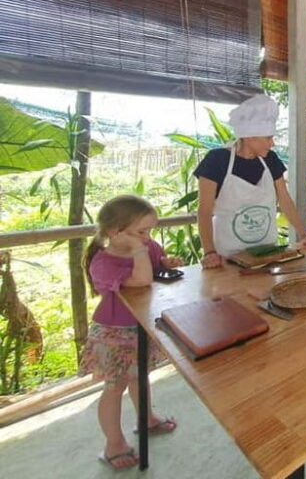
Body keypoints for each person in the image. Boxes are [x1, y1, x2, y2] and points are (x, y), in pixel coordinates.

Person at [78, 195, 182, 470]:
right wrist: (139, 252)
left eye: (149, 231)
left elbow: (157, 266)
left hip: (141, 326)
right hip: (113, 333)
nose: (148, 238)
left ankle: (146, 418)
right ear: (114, 231)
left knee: (140, 376)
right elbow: (140, 280)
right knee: (115, 386)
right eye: (141, 231)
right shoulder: (103, 262)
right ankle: (113, 442)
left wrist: (167, 262)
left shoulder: (148, 246)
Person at [194, 94, 306, 269]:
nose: (272, 143)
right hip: (229, 257)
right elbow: (204, 210)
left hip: (267, 254)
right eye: (268, 137)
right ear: (250, 136)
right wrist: (209, 252)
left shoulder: (271, 160)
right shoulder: (217, 160)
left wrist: (303, 234)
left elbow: (285, 200)